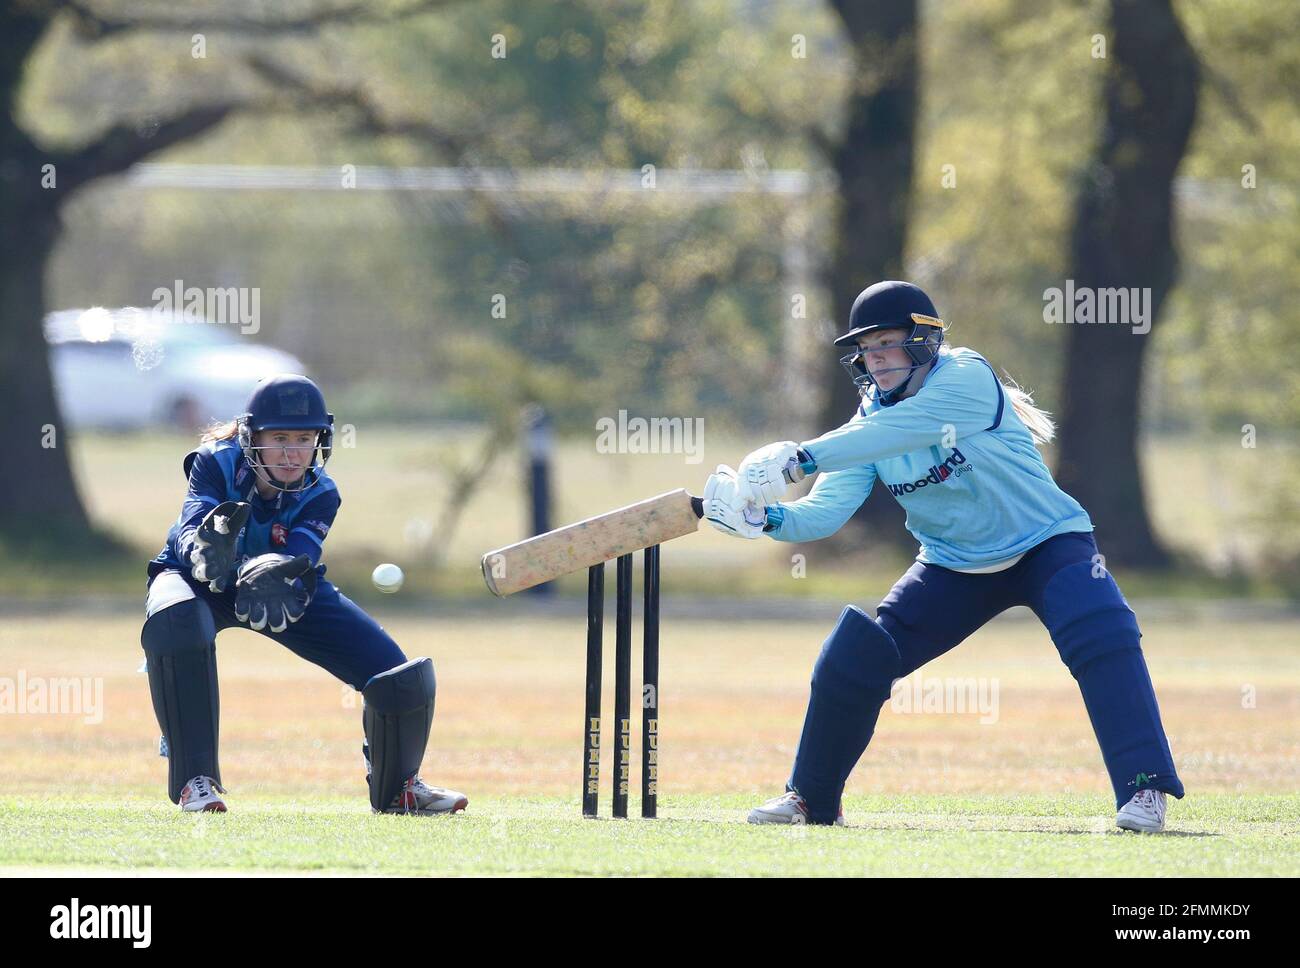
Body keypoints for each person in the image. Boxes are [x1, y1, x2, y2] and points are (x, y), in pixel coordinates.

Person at [700, 280, 1183, 832]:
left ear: (925, 341)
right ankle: (810, 799)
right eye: (866, 348)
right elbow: (827, 512)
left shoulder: (966, 377)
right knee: (855, 657)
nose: (874, 358)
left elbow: (906, 428)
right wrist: (767, 519)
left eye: (886, 343)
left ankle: (1144, 792)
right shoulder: (868, 425)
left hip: (1046, 541)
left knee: (1103, 631)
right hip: (954, 564)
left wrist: (802, 455)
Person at [141, 373, 467, 815]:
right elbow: (192, 524)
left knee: (400, 677)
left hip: (276, 589)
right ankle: (194, 782)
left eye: (304, 437)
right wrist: (205, 547)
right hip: (196, 579)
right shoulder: (215, 461)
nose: (293, 452)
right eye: (279, 438)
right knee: (176, 619)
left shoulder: (321, 493)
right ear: (251, 437)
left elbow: (300, 557)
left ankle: (400, 788)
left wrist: (277, 571)